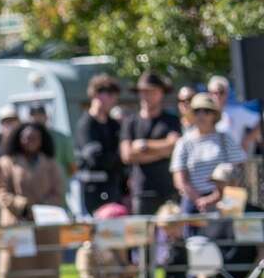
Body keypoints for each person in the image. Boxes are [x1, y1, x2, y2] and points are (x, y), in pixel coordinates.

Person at [0, 122, 65, 278]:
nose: (30, 141)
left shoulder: (51, 164)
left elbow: (59, 192)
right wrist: (21, 205)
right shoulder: (7, 163)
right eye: (26, 137)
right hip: (17, 226)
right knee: (17, 277)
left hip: (44, 227)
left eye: (35, 137)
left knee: (44, 275)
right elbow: (0, 193)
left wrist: (42, 208)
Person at [172, 94, 245, 214]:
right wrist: (199, 200)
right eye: (197, 111)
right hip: (193, 205)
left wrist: (215, 197)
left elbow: (239, 170)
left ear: (214, 115)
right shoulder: (183, 142)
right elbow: (180, 180)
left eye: (206, 111)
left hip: (225, 203)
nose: (201, 115)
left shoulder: (225, 138)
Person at [121, 72, 182, 215]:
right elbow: (127, 155)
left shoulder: (171, 120)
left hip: (167, 188)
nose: (146, 96)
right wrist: (162, 150)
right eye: (143, 92)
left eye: (151, 91)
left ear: (161, 93)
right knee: (143, 235)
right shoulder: (130, 122)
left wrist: (143, 145)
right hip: (142, 190)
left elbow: (173, 147)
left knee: (170, 233)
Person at [74, 73, 125, 211]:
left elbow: (123, 153)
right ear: (96, 94)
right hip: (93, 190)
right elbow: (95, 158)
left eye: (114, 96)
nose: (112, 100)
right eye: (109, 95)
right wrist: (117, 157)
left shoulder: (113, 124)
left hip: (113, 188)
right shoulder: (86, 124)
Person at [208, 74, 260, 154]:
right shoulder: (203, 115)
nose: (217, 96)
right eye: (214, 93)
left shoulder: (237, 112)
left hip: (234, 162)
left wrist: (247, 140)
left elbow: (260, 122)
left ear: (227, 93)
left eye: (221, 92)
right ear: (209, 94)